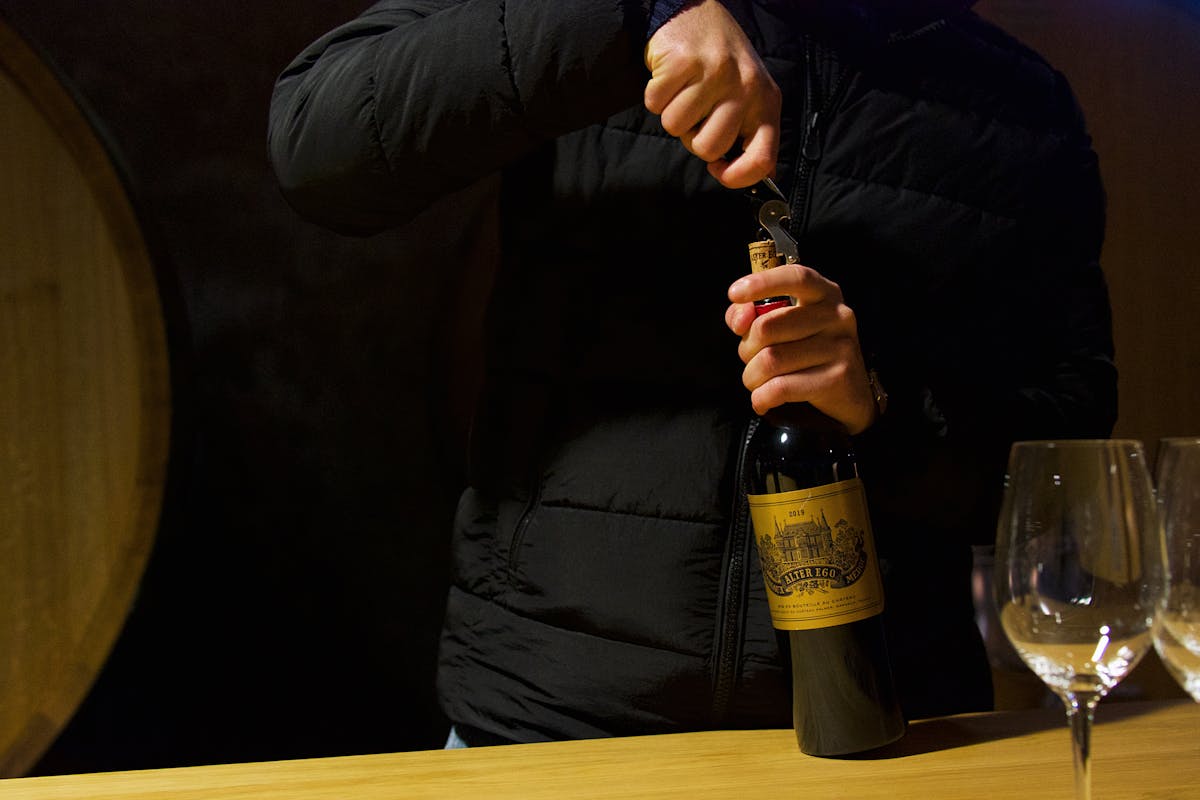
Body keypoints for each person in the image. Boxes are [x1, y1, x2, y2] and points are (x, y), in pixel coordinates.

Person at [268, 0, 1117, 746]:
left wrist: (881, 409)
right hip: (552, 729)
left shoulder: (1025, 107)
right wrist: (642, 7)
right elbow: (314, 142)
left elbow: (1063, 463)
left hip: (882, 735)